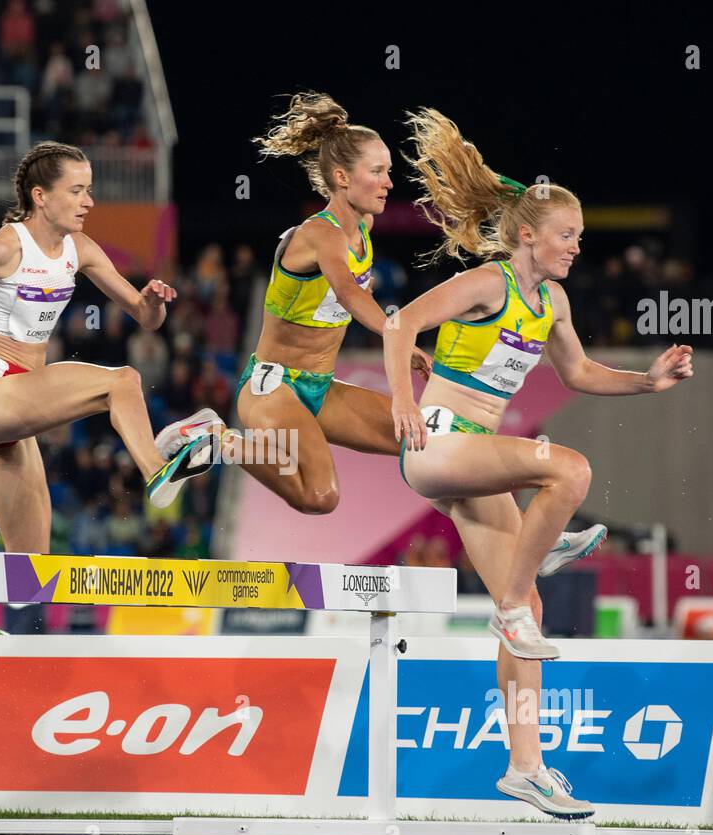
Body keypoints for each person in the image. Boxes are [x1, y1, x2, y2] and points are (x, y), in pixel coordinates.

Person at [384, 107, 694, 819]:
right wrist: (401, 400)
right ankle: (531, 573)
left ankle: (525, 766)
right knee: (570, 470)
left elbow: (580, 371)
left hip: (474, 459)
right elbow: (401, 322)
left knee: (525, 601)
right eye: (566, 235)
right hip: (437, 442)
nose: (577, 248)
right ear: (528, 235)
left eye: (581, 237)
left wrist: (648, 380)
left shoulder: (550, 300)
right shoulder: (490, 283)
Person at [157, 93, 603, 579]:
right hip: (273, 385)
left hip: (321, 388)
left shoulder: (364, 227)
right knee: (320, 497)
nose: (390, 181)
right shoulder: (317, 234)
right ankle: (216, 440)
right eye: (379, 171)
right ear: (342, 178)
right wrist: (400, 334)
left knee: (431, 450)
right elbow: (350, 296)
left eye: (390, 170)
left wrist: (516, 197)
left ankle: (532, 536)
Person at [0, 141, 221, 558]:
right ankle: (158, 468)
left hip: (19, 413)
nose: (88, 201)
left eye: (89, 190)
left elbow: (146, 319)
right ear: (41, 196)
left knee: (29, 566)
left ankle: (4, 619)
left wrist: (154, 303)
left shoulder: (81, 249)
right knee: (123, 381)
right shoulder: (2, 247)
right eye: (76, 191)